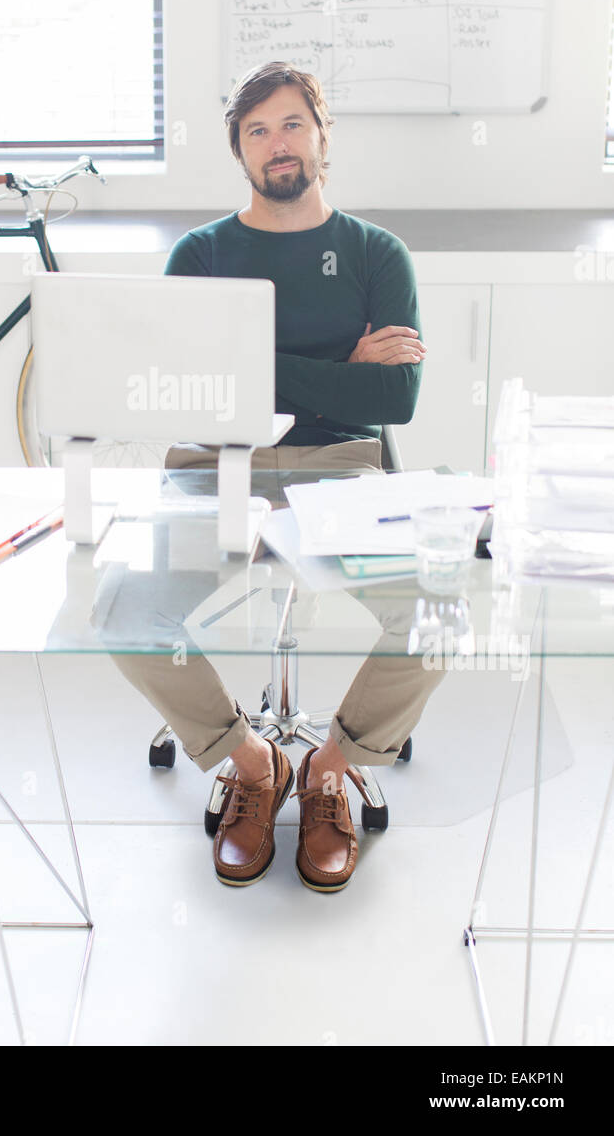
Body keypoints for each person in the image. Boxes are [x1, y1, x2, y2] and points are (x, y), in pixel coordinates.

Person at [111, 59, 432, 891]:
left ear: (323, 137)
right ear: (239, 151)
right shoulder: (202, 253)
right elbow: (189, 387)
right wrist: (337, 365)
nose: (276, 143)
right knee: (123, 612)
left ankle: (332, 768)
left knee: (438, 613)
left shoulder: (374, 253)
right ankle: (251, 764)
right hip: (216, 464)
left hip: (341, 465)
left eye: (292, 124)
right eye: (257, 131)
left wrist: (251, 363)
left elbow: (394, 395)